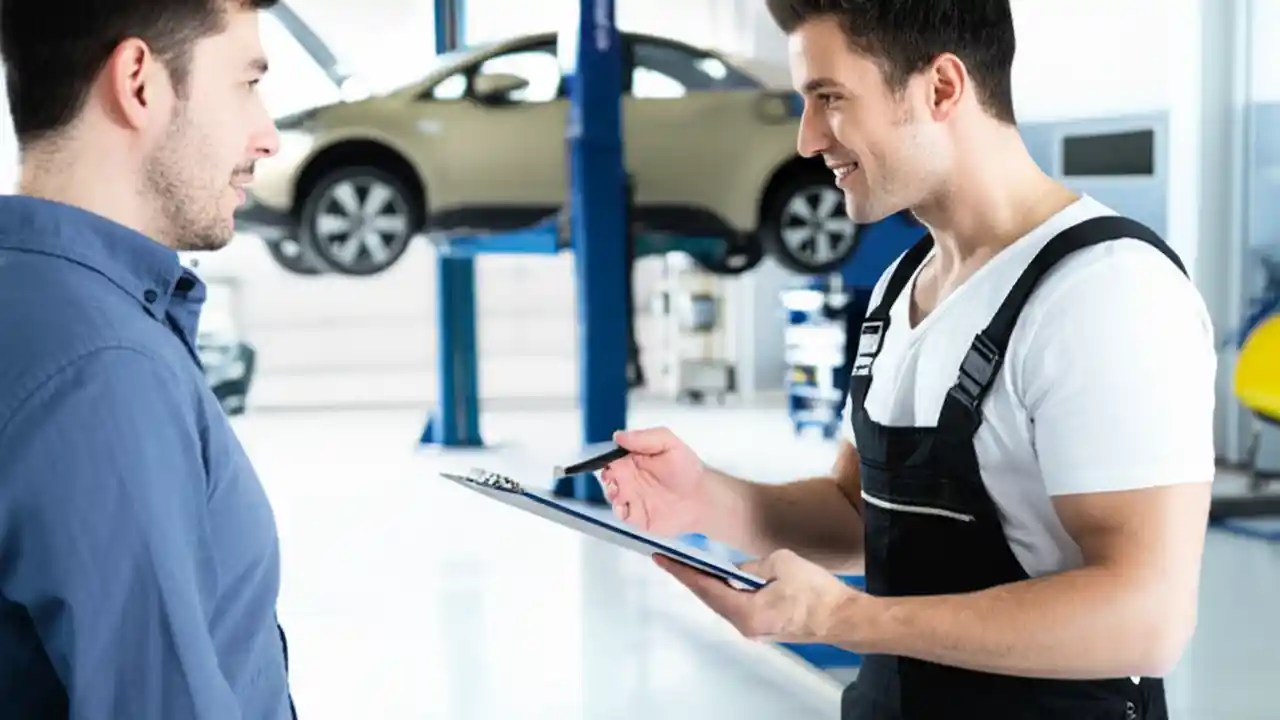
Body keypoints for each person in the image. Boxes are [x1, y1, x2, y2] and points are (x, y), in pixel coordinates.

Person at [600, 2, 1216, 718]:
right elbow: (862, 512)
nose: (806, 140)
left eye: (829, 99)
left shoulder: (1105, 291)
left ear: (942, 88)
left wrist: (839, 620)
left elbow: (1146, 619)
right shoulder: (903, 284)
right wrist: (705, 497)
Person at [0, 1, 293, 717]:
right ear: (138, 81)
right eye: (246, 83)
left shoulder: (28, 300)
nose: (268, 136)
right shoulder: (105, 370)